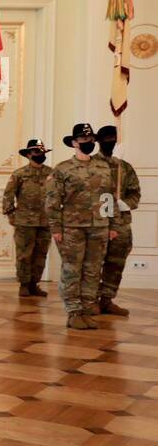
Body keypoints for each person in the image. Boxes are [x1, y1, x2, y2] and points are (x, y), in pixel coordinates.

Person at [46, 123, 116, 330]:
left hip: (99, 226)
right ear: (75, 143)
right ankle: (73, 312)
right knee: (71, 270)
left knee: (93, 270)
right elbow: (52, 201)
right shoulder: (63, 169)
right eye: (84, 140)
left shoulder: (104, 166)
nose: (89, 143)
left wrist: (112, 224)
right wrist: (56, 228)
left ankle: (86, 309)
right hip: (72, 227)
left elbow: (109, 197)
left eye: (91, 140)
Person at [96, 125, 141, 317]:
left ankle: (107, 299)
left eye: (113, 137)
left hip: (121, 223)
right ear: (98, 140)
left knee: (116, 263)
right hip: (96, 222)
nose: (110, 141)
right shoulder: (90, 165)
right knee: (93, 263)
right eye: (106, 138)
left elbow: (135, 193)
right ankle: (90, 300)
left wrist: (126, 204)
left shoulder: (124, 167)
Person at [2, 139, 52, 298]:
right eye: (37, 152)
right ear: (29, 154)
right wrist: (10, 213)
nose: (40, 155)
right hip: (24, 221)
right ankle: (24, 284)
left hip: (45, 221)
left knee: (41, 254)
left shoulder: (52, 174)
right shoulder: (19, 174)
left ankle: (34, 284)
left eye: (42, 152)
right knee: (25, 254)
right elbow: (8, 195)